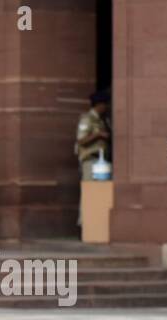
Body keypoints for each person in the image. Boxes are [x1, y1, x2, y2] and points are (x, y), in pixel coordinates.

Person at [75, 89, 111, 226]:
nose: (106, 107)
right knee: (89, 191)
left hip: (101, 161)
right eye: (105, 104)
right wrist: (98, 135)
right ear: (99, 105)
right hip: (90, 160)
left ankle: (96, 223)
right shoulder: (87, 119)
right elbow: (81, 140)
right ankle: (84, 223)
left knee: (99, 192)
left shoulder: (101, 121)